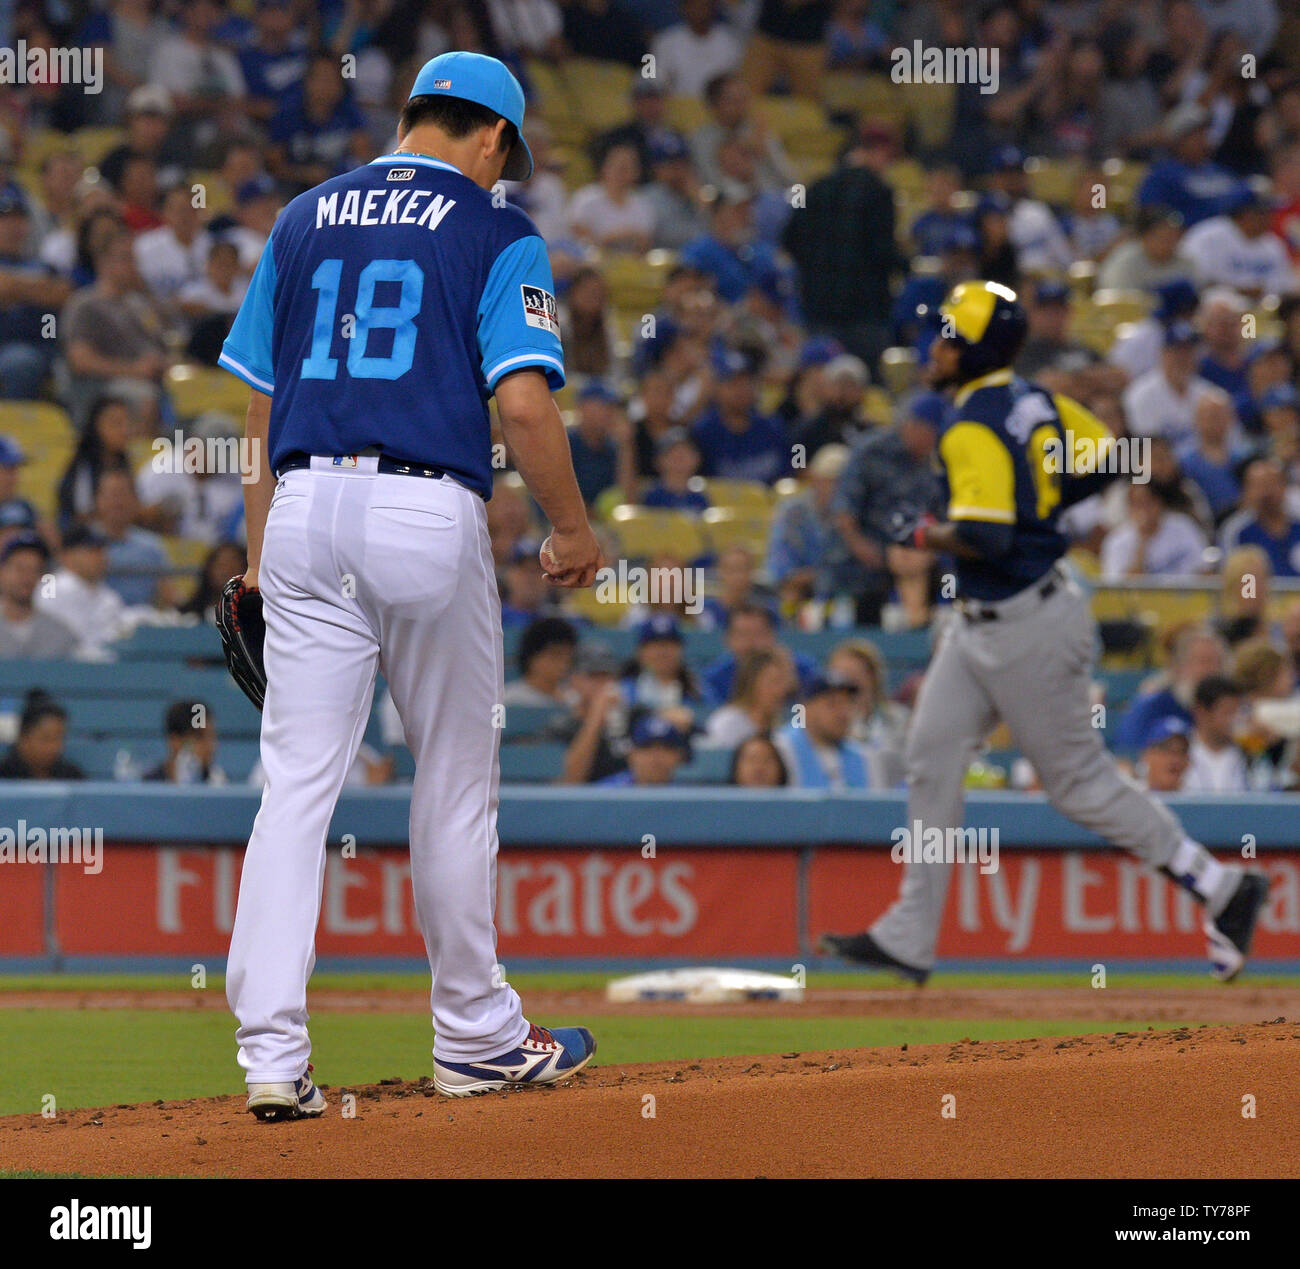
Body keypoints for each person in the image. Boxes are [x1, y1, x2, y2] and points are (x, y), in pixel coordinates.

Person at [217, 52, 601, 1115]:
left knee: (293, 788)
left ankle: (269, 1056)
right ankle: (475, 1034)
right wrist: (571, 527)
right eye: (505, 152)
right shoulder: (493, 229)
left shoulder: (301, 218)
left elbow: (257, 406)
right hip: (423, 506)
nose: (502, 169)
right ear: (490, 137)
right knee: (453, 774)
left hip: (300, 508)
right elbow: (522, 407)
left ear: (407, 117)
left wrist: (256, 562)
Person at [818, 281, 1270, 985]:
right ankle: (909, 933)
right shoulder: (1031, 399)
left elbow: (989, 538)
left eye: (947, 337)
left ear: (973, 350)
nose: (934, 347)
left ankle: (1219, 886)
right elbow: (1115, 455)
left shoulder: (971, 425)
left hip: (1028, 620)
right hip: (984, 622)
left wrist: (925, 533)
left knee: (1079, 784)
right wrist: (1041, 502)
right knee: (932, 756)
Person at [773, 671, 877, 790]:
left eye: (848, 703)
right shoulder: (781, 749)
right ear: (806, 708)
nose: (843, 713)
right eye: (832, 704)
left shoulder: (863, 757)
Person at [0, 533, 80, 659]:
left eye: (34, 569)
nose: (27, 577)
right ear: (2, 572)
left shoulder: (60, 633)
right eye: (20, 568)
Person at [1183, 675, 1250, 792]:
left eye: (1239, 712)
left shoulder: (1249, 755)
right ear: (1201, 712)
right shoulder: (1179, 754)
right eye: (1228, 712)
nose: (1236, 720)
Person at [0, 692, 84, 780]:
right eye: (46, 738)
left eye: (60, 738)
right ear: (23, 738)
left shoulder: (72, 776)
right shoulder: (3, 773)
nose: (55, 747)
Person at [143, 699, 227, 785]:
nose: (210, 746)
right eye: (199, 737)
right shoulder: (147, 783)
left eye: (212, 737)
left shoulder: (216, 780)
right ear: (175, 740)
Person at [596, 714, 689, 786]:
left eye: (666, 747)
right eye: (646, 747)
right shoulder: (604, 795)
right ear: (631, 753)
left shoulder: (690, 799)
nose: (656, 755)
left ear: (679, 756)